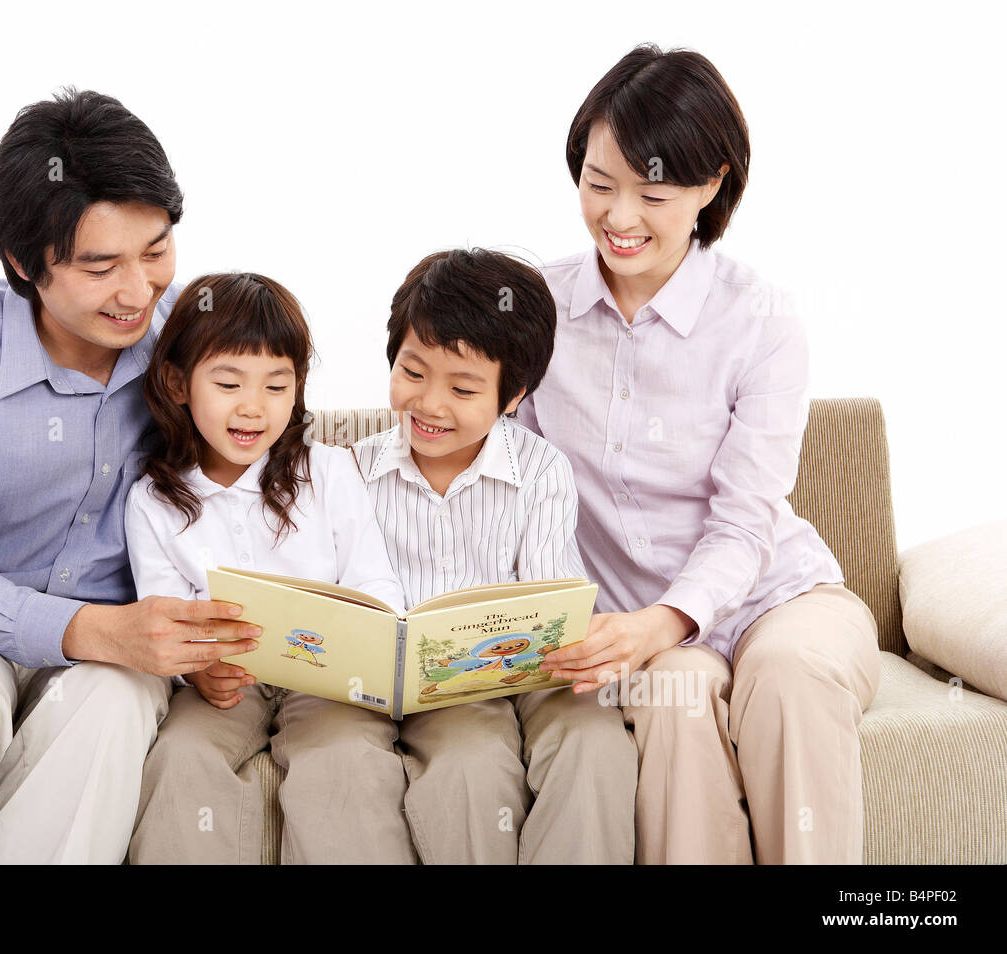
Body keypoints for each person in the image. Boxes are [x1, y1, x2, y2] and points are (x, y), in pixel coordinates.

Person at [0, 88, 259, 865]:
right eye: (100, 266)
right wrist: (89, 628)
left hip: (114, 647)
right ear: (23, 264)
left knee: (118, 699)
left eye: (156, 250)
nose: (138, 292)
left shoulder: (191, 350)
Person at [520, 44, 882, 864]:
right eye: (598, 184)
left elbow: (745, 520)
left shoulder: (760, 320)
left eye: (652, 194)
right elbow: (517, 487)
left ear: (712, 185)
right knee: (677, 700)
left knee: (789, 680)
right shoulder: (538, 309)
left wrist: (666, 618)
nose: (619, 218)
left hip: (777, 599)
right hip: (639, 631)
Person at [348, 248, 639, 863]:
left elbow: (550, 591)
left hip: (531, 667)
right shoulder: (353, 471)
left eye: (463, 388)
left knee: (596, 743)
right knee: (469, 765)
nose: (429, 404)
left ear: (514, 396)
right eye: (412, 371)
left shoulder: (540, 471)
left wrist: (561, 645)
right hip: (423, 686)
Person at [126, 272, 407, 865]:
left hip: (327, 680)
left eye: (277, 387)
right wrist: (195, 675)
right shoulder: (153, 499)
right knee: (180, 760)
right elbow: (164, 615)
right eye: (228, 383)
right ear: (178, 383)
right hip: (227, 684)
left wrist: (365, 635)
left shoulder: (327, 471)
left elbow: (375, 582)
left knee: (346, 763)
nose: (252, 407)